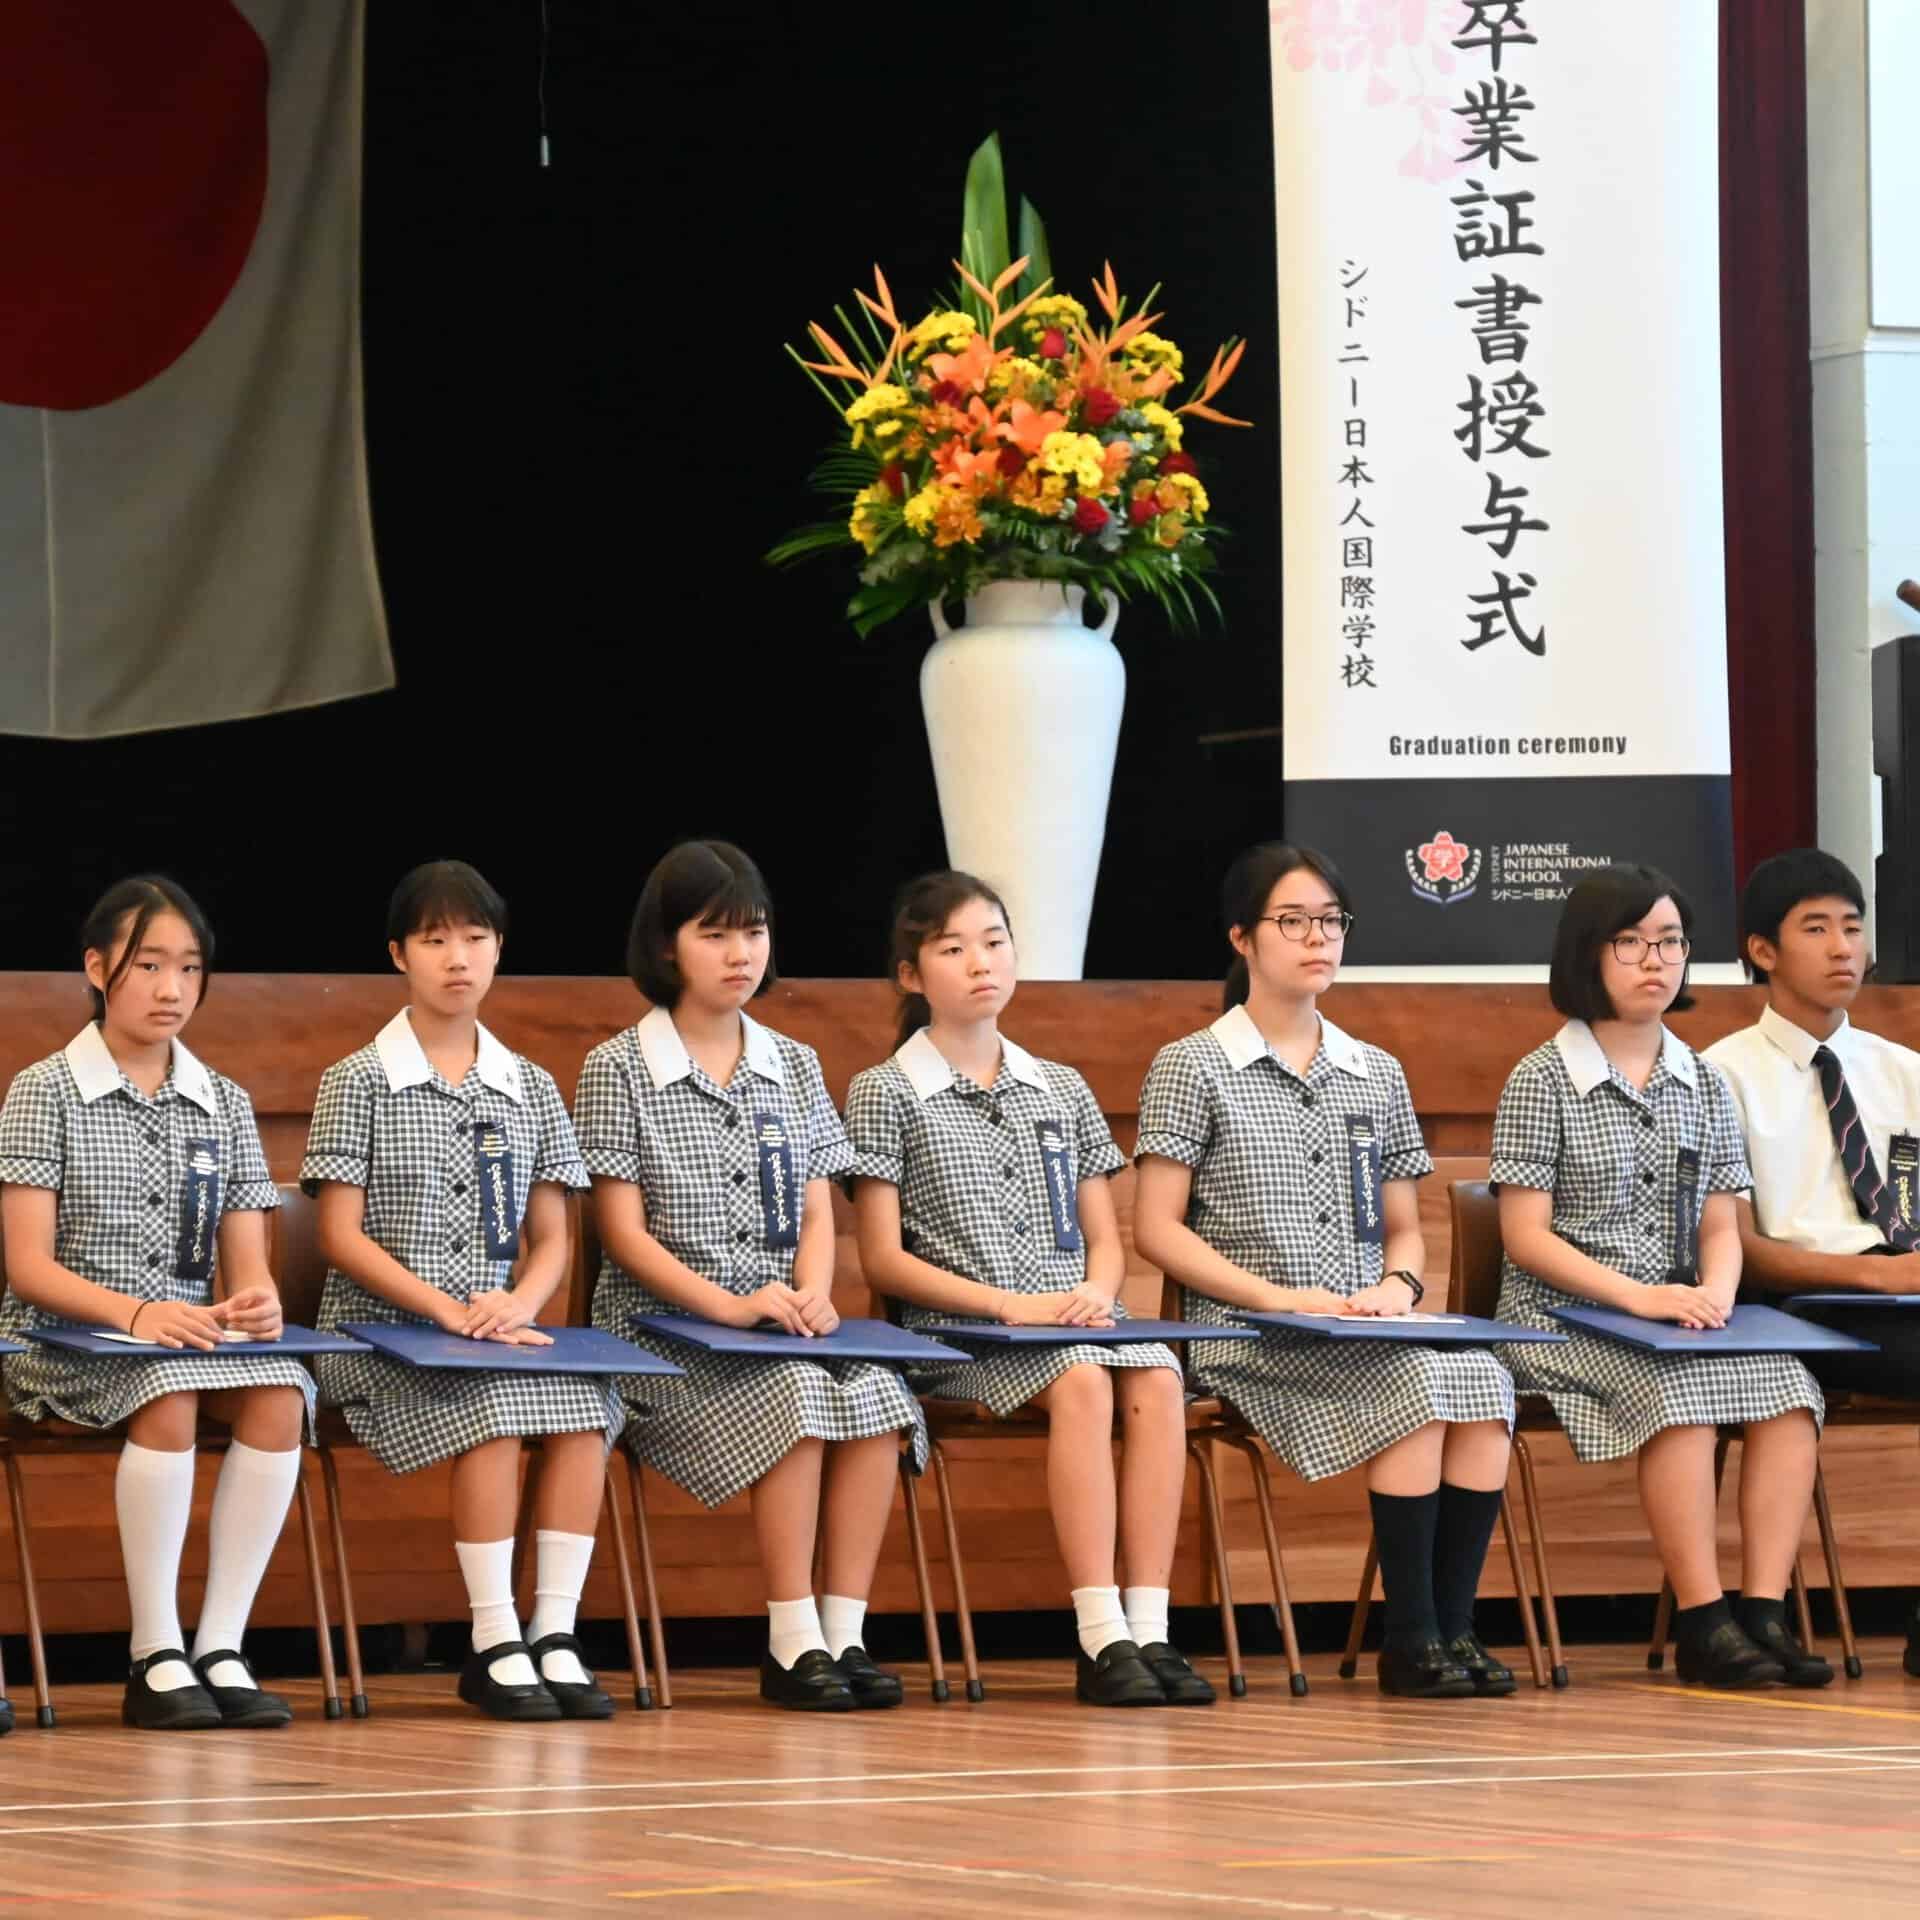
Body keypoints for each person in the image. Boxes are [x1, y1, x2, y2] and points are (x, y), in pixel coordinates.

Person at [1133, 842, 1517, 1698]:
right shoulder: (1193, 1065)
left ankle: (1453, 1631)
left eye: (1331, 922)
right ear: (1242, 938)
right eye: (1293, 922)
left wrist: (1397, 1288)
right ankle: (1410, 1636)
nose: (1318, 939)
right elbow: (1156, 1231)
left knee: (1483, 1385)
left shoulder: (1374, 1070)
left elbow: (1405, 1232)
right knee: (1422, 1392)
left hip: (1364, 1326)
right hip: (1250, 1332)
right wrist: (1275, 1296)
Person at [578, 840, 927, 1712]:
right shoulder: (617, 1067)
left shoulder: (795, 1063)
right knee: (802, 1398)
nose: (741, 954)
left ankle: (842, 1633)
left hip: (781, 1326)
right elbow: (622, 1234)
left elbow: (818, 1211)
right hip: (663, 1335)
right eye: (715, 934)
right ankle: (789, 1638)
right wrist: (729, 1307)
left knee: (881, 1400)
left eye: (756, 931)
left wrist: (812, 1289)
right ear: (666, 946)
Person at [848, 870, 1207, 1709]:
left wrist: (1095, 1292)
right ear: (911, 975)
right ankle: (1098, 1635)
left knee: (1156, 1373)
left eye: (995, 941)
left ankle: (1149, 1625)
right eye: (953, 948)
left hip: (1072, 1318)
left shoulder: (1063, 1086)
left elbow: (1106, 1241)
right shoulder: (886, 1090)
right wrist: (1009, 1306)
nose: (981, 963)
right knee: (1082, 1382)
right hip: (963, 1335)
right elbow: (882, 1261)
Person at [1492, 862, 1828, 1688]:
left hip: (1674, 1314)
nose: (1655, 959)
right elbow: (1526, 1238)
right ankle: (1703, 1622)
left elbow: (1723, 1223)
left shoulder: (1705, 1080)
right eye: (1631, 942)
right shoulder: (1542, 1078)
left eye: (1671, 942)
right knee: (1678, 1400)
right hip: (1561, 1317)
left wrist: (1716, 1289)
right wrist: (1638, 1297)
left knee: (1789, 1392)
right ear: (1587, 956)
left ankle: (1763, 1613)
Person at [303, 860, 621, 1721]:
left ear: (498, 950)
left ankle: (552, 1631)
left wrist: (520, 1301)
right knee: (497, 1409)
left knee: (585, 1411)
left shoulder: (531, 1087)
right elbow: (339, 1236)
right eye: (435, 939)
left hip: (493, 1329)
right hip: (377, 1337)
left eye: (475, 938)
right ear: (398, 954)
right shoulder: (356, 1079)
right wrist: (443, 1309)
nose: (457, 958)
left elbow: (553, 1239)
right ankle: (491, 1639)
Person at [0, 876, 312, 1731]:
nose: (172, 989)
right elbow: (27, 1267)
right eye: (148, 966)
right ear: (99, 969)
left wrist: (256, 1307)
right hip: (63, 1338)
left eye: (189, 968)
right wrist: (134, 1317)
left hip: (185, 1333)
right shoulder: (43, 1090)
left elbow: (247, 1270)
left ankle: (220, 1644)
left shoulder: (227, 1101)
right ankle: (154, 1650)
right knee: (166, 1391)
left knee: (282, 1390)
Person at [1705, 847, 1920, 1675]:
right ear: (1763, 951)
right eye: (1817, 928)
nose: (1843, 949)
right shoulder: (1721, 1074)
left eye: (1854, 929)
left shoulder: (1901, 1071)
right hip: (1797, 1301)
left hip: (1898, 1290)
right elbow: (1739, 1246)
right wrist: (1875, 1275)